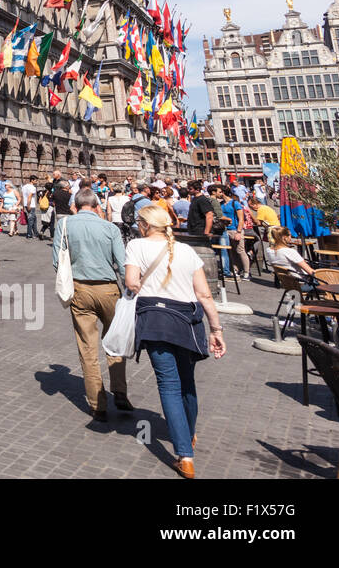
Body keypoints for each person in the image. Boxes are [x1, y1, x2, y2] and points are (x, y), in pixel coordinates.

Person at [126, 203, 225, 479]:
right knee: (187, 383)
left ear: (144, 225)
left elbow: (132, 282)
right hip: (187, 322)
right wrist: (216, 329)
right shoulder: (186, 250)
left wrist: (141, 286)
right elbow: (204, 295)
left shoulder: (136, 246)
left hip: (155, 321)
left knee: (168, 385)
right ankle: (189, 436)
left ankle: (185, 456)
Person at [53, 186, 130, 422]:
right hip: (109, 290)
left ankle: (97, 405)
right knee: (115, 342)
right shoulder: (110, 228)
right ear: (97, 206)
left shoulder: (64, 225)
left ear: (75, 206)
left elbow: (57, 261)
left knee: (87, 347)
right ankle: (120, 392)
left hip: (80, 290)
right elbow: (123, 263)